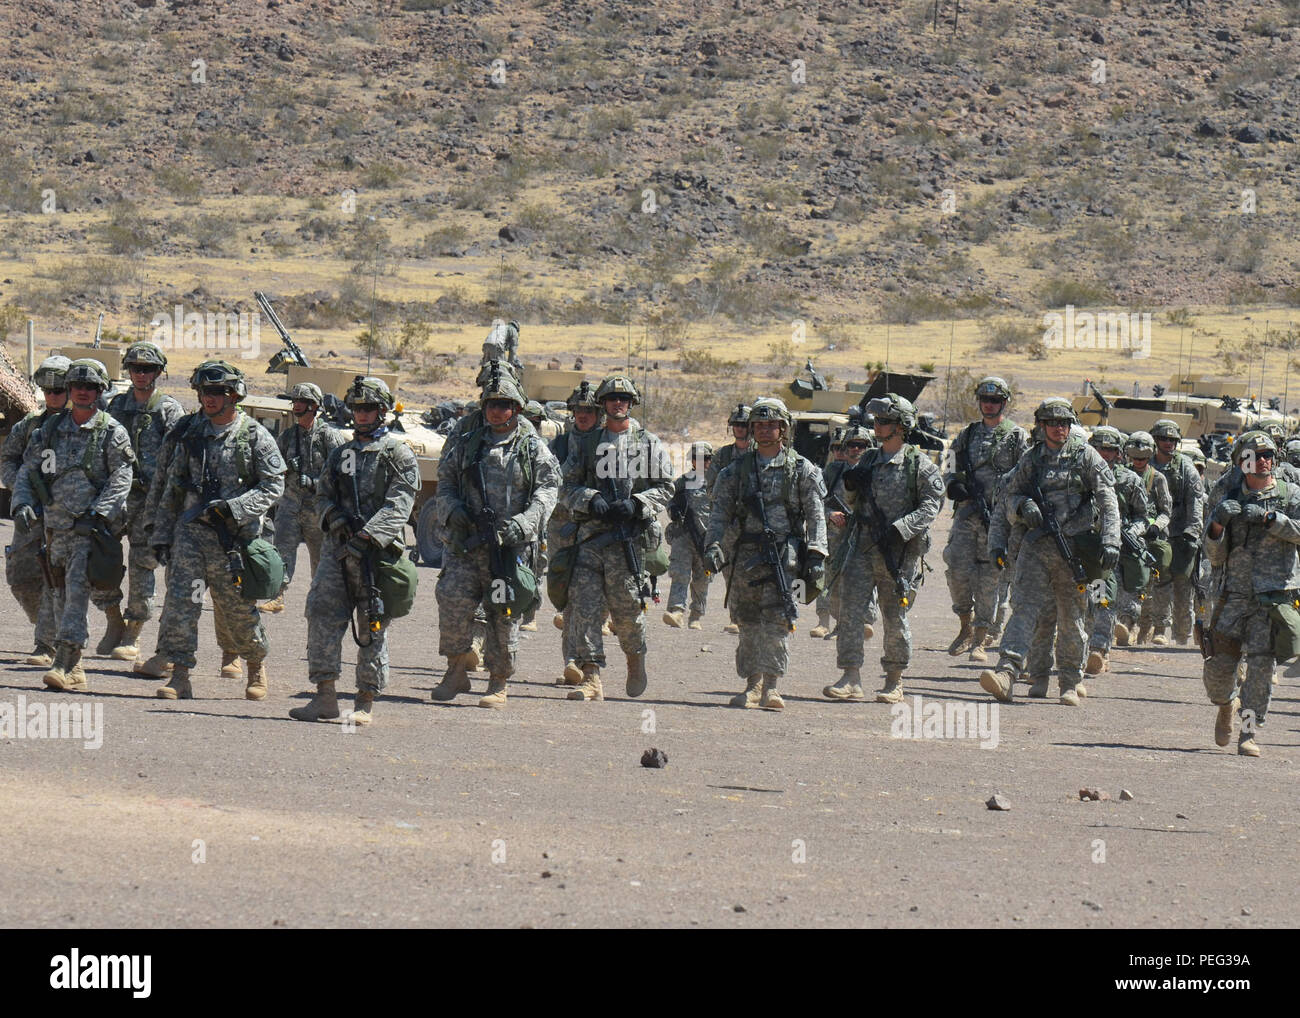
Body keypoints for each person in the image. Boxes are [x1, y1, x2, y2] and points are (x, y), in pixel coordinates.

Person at [150, 361, 285, 701]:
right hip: (191, 537)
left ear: (234, 395)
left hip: (233, 541)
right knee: (182, 605)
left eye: (216, 392)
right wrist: (161, 534)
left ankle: (255, 665)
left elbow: (273, 486)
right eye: (203, 392)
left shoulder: (253, 435)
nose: (208, 399)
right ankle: (180, 675)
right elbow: (171, 487)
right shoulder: (187, 432)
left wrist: (235, 508)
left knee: (238, 611)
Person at [289, 377, 420, 724]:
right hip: (337, 550)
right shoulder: (340, 453)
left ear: (382, 411)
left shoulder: (398, 454)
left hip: (376, 555)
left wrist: (368, 536)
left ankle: (364, 700)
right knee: (320, 611)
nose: (361, 415)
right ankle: (325, 697)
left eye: (368, 409)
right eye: (357, 408)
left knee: (371, 623)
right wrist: (334, 517)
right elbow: (322, 496)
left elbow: (399, 504)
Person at [430, 365, 559, 708]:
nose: (496, 410)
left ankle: (498, 681)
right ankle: (456, 670)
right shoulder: (466, 435)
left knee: (503, 613)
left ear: (516, 407)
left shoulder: (530, 443)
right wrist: (451, 508)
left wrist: (524, 523)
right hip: (466, 542)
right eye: (491, 404)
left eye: (504, 404)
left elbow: (548, 489)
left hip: (509, 547)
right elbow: (445, 479)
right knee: (451, 599)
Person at [980, 399, 1118, 706]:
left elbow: (1108, 502)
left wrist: (1111, 540)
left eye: (1065, 423)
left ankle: (1069, 679)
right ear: (1042, 426)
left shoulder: (1086, 457)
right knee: (1026, 610)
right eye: (1053, 423)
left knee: (1072, 618)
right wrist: (1022, 506)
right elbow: (1009, 496)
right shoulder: (1032, 459)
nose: (1060, 428)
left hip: (1074, 551)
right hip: (1036, 548)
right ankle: (1008, 671)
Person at [11, 358, 134, 691]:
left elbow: (122, 478)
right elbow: (27, 471)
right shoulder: (49, 430)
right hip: (54, 529)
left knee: (77, 594)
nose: (82, 392)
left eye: (89, 387)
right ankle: (72, 663)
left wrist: (98, 514)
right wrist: (21, 502)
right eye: (77, 386)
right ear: (68, 390)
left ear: (99, 391)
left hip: (88, 530)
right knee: (58, 594)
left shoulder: (111, 431)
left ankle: (66, 661)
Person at [558, 374, 673, 702]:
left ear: (631, 403)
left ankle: (635, 659)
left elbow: (666, 486)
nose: (617, 403)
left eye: (623, 398)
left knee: (627, 614)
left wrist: (638, 503)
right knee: (584, 608)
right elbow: (565, 486)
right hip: (591, 539)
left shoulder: (647, 442)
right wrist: (589, 498)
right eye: (611, 399)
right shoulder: (587, 443)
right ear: (603, 404)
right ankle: (591, 676)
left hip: (629, 541)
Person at [705, 398, 826, 709]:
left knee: (776, 620)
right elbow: (718, 512)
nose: (764, 430)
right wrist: (713, 544)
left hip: (784, 557)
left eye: (772, 424)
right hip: (743, 555)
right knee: (746, 621)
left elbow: (816, 515)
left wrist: (816, 554)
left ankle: (771, 685)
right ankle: (752, 683)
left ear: (784, 429)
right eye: (758, 425)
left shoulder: (802, 469)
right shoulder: (735, 471)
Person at [825, 394, 943, 703]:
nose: (877, 426)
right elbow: (855, 503)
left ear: (902, 426)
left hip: (897, 552)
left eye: (885, 421)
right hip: (862, 546)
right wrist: (852, 488)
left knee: (894, 615)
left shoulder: (920, 464)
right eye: (876, 420)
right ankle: (850, 675)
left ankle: (894, 679)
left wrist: (901, 528)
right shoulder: (868, 459)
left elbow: (932, 506)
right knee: (850, 611)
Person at [1200, 431, 1300, 756]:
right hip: (1232, 596)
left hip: (1273, 598)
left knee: (1261, 669)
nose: (1263, 461)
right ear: (1241, 461)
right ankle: (1226, 705)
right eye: (1255, 455)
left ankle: (1248, 733)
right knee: (1217, 672)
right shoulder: (1224, 492)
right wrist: (1217, 524)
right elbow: (1213, 554)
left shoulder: (1290, 495)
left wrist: (1274, 519)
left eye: (1268, 454)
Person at [99, 342, 185, 661]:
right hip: (115, 496)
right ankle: (112, 619)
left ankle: (133, 631)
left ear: (158, 373)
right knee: (98, 557)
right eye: (135, 368)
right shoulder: (114, 406)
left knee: (142, 563)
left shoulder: (168, 410)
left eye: (147, 369)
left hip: (150, 500)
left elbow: (179, 458)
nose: (140, 374)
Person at [942, 376, 1030, 665]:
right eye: (984, 400)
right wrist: (953, 483)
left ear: (1004, 403)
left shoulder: (1017, 437)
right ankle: (964, 624)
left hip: (999, 519)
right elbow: (951, 462)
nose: (988, 405)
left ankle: (980, 638)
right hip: (967, 515)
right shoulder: (966, 435)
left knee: (991, 580)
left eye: (994, 400)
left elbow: (1027, 474)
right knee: (956, 568)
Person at [2, 355, 70, 665]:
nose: (54, 395)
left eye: (60, 389)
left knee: (54, 576)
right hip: (31, 513)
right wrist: (21, 492)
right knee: (19, 576)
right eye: (48, 390)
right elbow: (8, 460)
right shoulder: (29, 426)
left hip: (67, 515)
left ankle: (47, 643)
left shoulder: (84, 426)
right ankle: (45, 624)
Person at [261, 381, 345, 613]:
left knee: (320, 558)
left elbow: (341, 477)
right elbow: (273, 467)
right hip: (290, 505)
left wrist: (314, 482)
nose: (296, 406)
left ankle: (322, 599)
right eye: (294, 401)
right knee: (281, 551)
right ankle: (277, 596)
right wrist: (287, 468)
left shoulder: (329, 437)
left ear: (313, 406)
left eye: (301, 402)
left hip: (318, 510)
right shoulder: (288, 436)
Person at [547, 381, 602, 684]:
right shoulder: (561, 444)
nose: (583, 415)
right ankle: (571, 660)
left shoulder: (606, 444)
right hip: (562, 526)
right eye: (578, 409)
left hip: (596, 529)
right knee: (567, 595)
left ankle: (587, 659)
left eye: (589, 410)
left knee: (592, 597)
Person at [812, 424, 876, 641]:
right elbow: (814, 502)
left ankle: (864, 622)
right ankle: (840, 623)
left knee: (867, 577)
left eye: (862, 445)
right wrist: (830, 513)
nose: (856, 449)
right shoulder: (832, 472)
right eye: (852, 445)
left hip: (867, 534)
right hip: (838, 536)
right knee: (835, 580)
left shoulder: (878, 471)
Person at [1147, 418, 1206, 645]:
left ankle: (1182, 633)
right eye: (1164, 439)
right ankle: (1160, 628)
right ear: (1156, 441)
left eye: (1172, 439)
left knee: (1184, 587)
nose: (1168, 443)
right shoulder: (1148, 467)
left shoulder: (1186, 468)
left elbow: (1196, 502)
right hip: (1157, 533)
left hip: (1182, 534)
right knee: (1160, 583)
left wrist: (1193, 531)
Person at [1113, 431, 1172, 647]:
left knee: (1146, 588)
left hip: (1147, 539)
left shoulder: (1157, 478)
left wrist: (1156, 526)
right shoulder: (1122, 475)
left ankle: (1142, 627)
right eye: (1134, 458)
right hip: (1121, 536)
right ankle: (1126, 624)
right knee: (1124, 584)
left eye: (1143, 458)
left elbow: (1166, 511)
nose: (1138, 462)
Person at [707, 403, 752, 636]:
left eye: (744, 425)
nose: (740, 429)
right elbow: (710, 487)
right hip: (730, 524)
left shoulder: (760, 453)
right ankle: (736, 617)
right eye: (736, 425)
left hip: (756, 522)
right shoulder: (723, 455)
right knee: (730, 571)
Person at [664, 442, 714, 630]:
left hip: (707, 539)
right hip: (684, 537)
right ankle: (677, 611)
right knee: (680, 574)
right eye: (697, 458)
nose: (701, 462)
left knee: (702, 580)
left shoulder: (717, 482)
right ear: (692, 460)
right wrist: (673, 511)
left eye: (706, 459)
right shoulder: (683, 481)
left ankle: (696, 616)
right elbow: (669, 499)